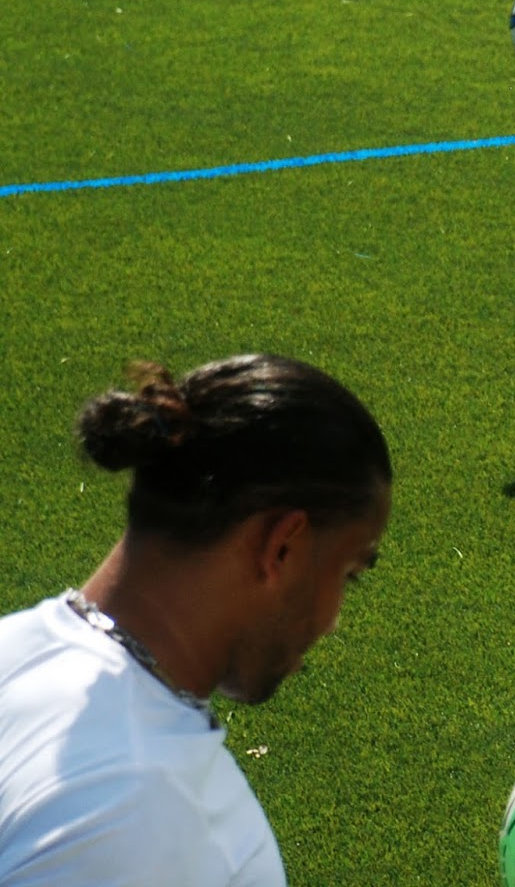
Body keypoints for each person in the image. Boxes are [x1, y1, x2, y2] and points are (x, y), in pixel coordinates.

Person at [0, 354, 392, 886]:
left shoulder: (12, 651)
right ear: (283, 547)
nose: (332, 623)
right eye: (346, 573)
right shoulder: (155, 819)